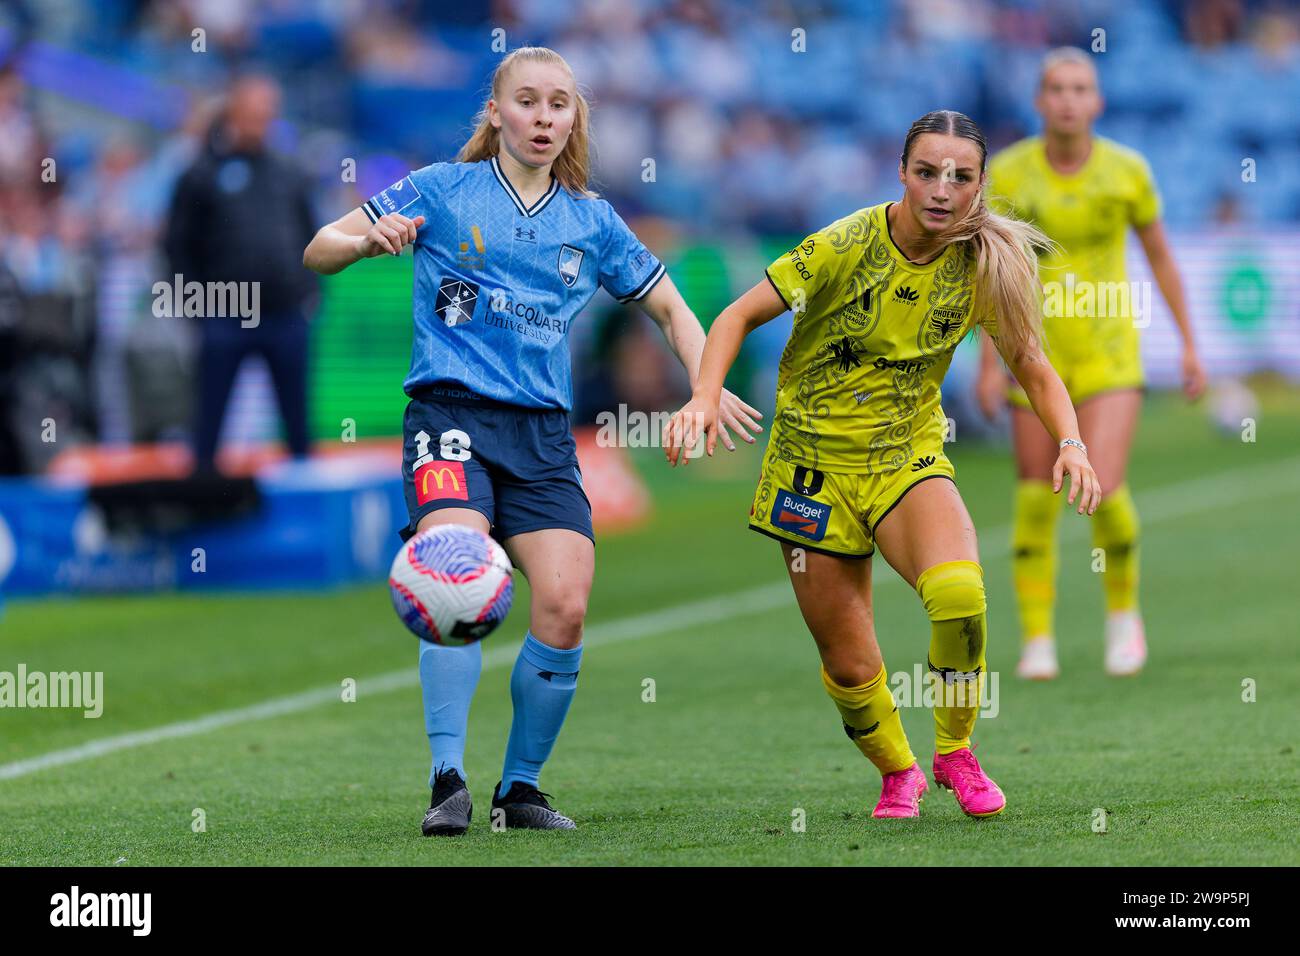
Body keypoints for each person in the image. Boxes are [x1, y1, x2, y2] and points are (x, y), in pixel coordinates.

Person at [303, 47, 761, 834]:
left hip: (543, 436)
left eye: (558, 104)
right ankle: (448, 779)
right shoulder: (443, 189)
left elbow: (673, 312)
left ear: (573, 118)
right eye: (527, 101)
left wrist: (705, 390)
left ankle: (520, 791)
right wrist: (364, 244)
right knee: (455, 570)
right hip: (448, 418)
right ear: (496, 112)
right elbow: (319, 248)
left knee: (567, 604)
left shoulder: (594, 221)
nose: (543, 117)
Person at [663, 110, 1101, 820]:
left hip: (905, 455)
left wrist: (1071, 443)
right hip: (810, 471)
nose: (941, 189)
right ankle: (898, 771)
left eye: (960, 177)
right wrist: (704, 397)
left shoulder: (984, 262)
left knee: (960, 594)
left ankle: (955, 751)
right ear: (901, 172)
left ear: (980, 184)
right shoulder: (843, 244)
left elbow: (1034, 366)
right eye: (927, 172)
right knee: (850, 663)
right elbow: (736, 316)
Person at [978, 48, 1206, 680]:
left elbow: (1160, 257)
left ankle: (1123, 617)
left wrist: (1188, 342)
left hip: (1108, 352)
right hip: (1034, 354)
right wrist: (990, 364)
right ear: (1039, 100)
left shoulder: (1127, 172)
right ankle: (1038, 638)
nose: (1069, 99)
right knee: (1034, 493)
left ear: (1098, 101)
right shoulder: (1012, 173)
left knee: (1100, 480)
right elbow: (989, 272)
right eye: (1056, 88)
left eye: (1080, 88)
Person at [165, 74, 319, 473]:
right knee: (209, 416)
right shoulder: (200, 173)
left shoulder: (288, 173)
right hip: (225, 313)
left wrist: (309, 292)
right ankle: (200, 494)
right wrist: (195, 306)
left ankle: (304, 498)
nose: (262, 119)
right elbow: (177, 246)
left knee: (298, 419)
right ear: (234, 110)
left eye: (268, 111)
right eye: (254, 110)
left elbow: (311, 235)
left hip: (285, 313)